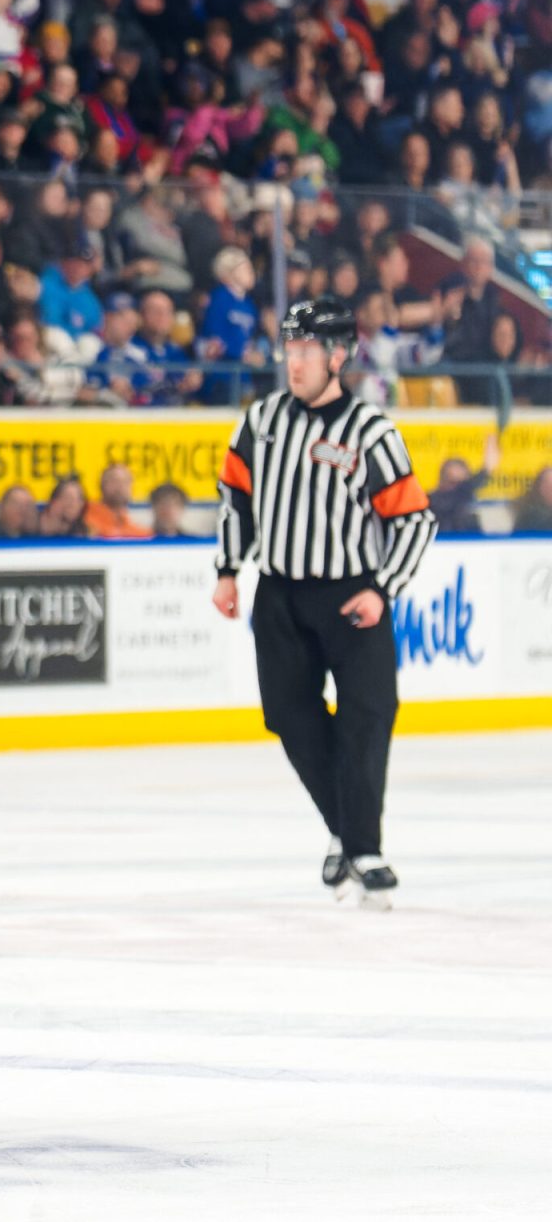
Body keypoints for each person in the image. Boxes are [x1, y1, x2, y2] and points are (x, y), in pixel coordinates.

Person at [213, 297, 437, 909]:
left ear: (339, 356)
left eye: (308, 351)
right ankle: (345, 826)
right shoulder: (259, 422)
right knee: (289, 716)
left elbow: (416, 521)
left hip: (352, 595)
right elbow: (235, 497)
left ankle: (362, 848)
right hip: (280, 595)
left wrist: (382, 588)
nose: (296, 362)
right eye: (290, 350)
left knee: (368, 717)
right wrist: (229, 569)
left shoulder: (372, 433)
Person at [84, 463, 151, 539]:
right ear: (101, 485)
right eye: (114, 480)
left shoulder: (139, 533)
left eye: (125, 482)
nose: (120, 486)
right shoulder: (85, 517)